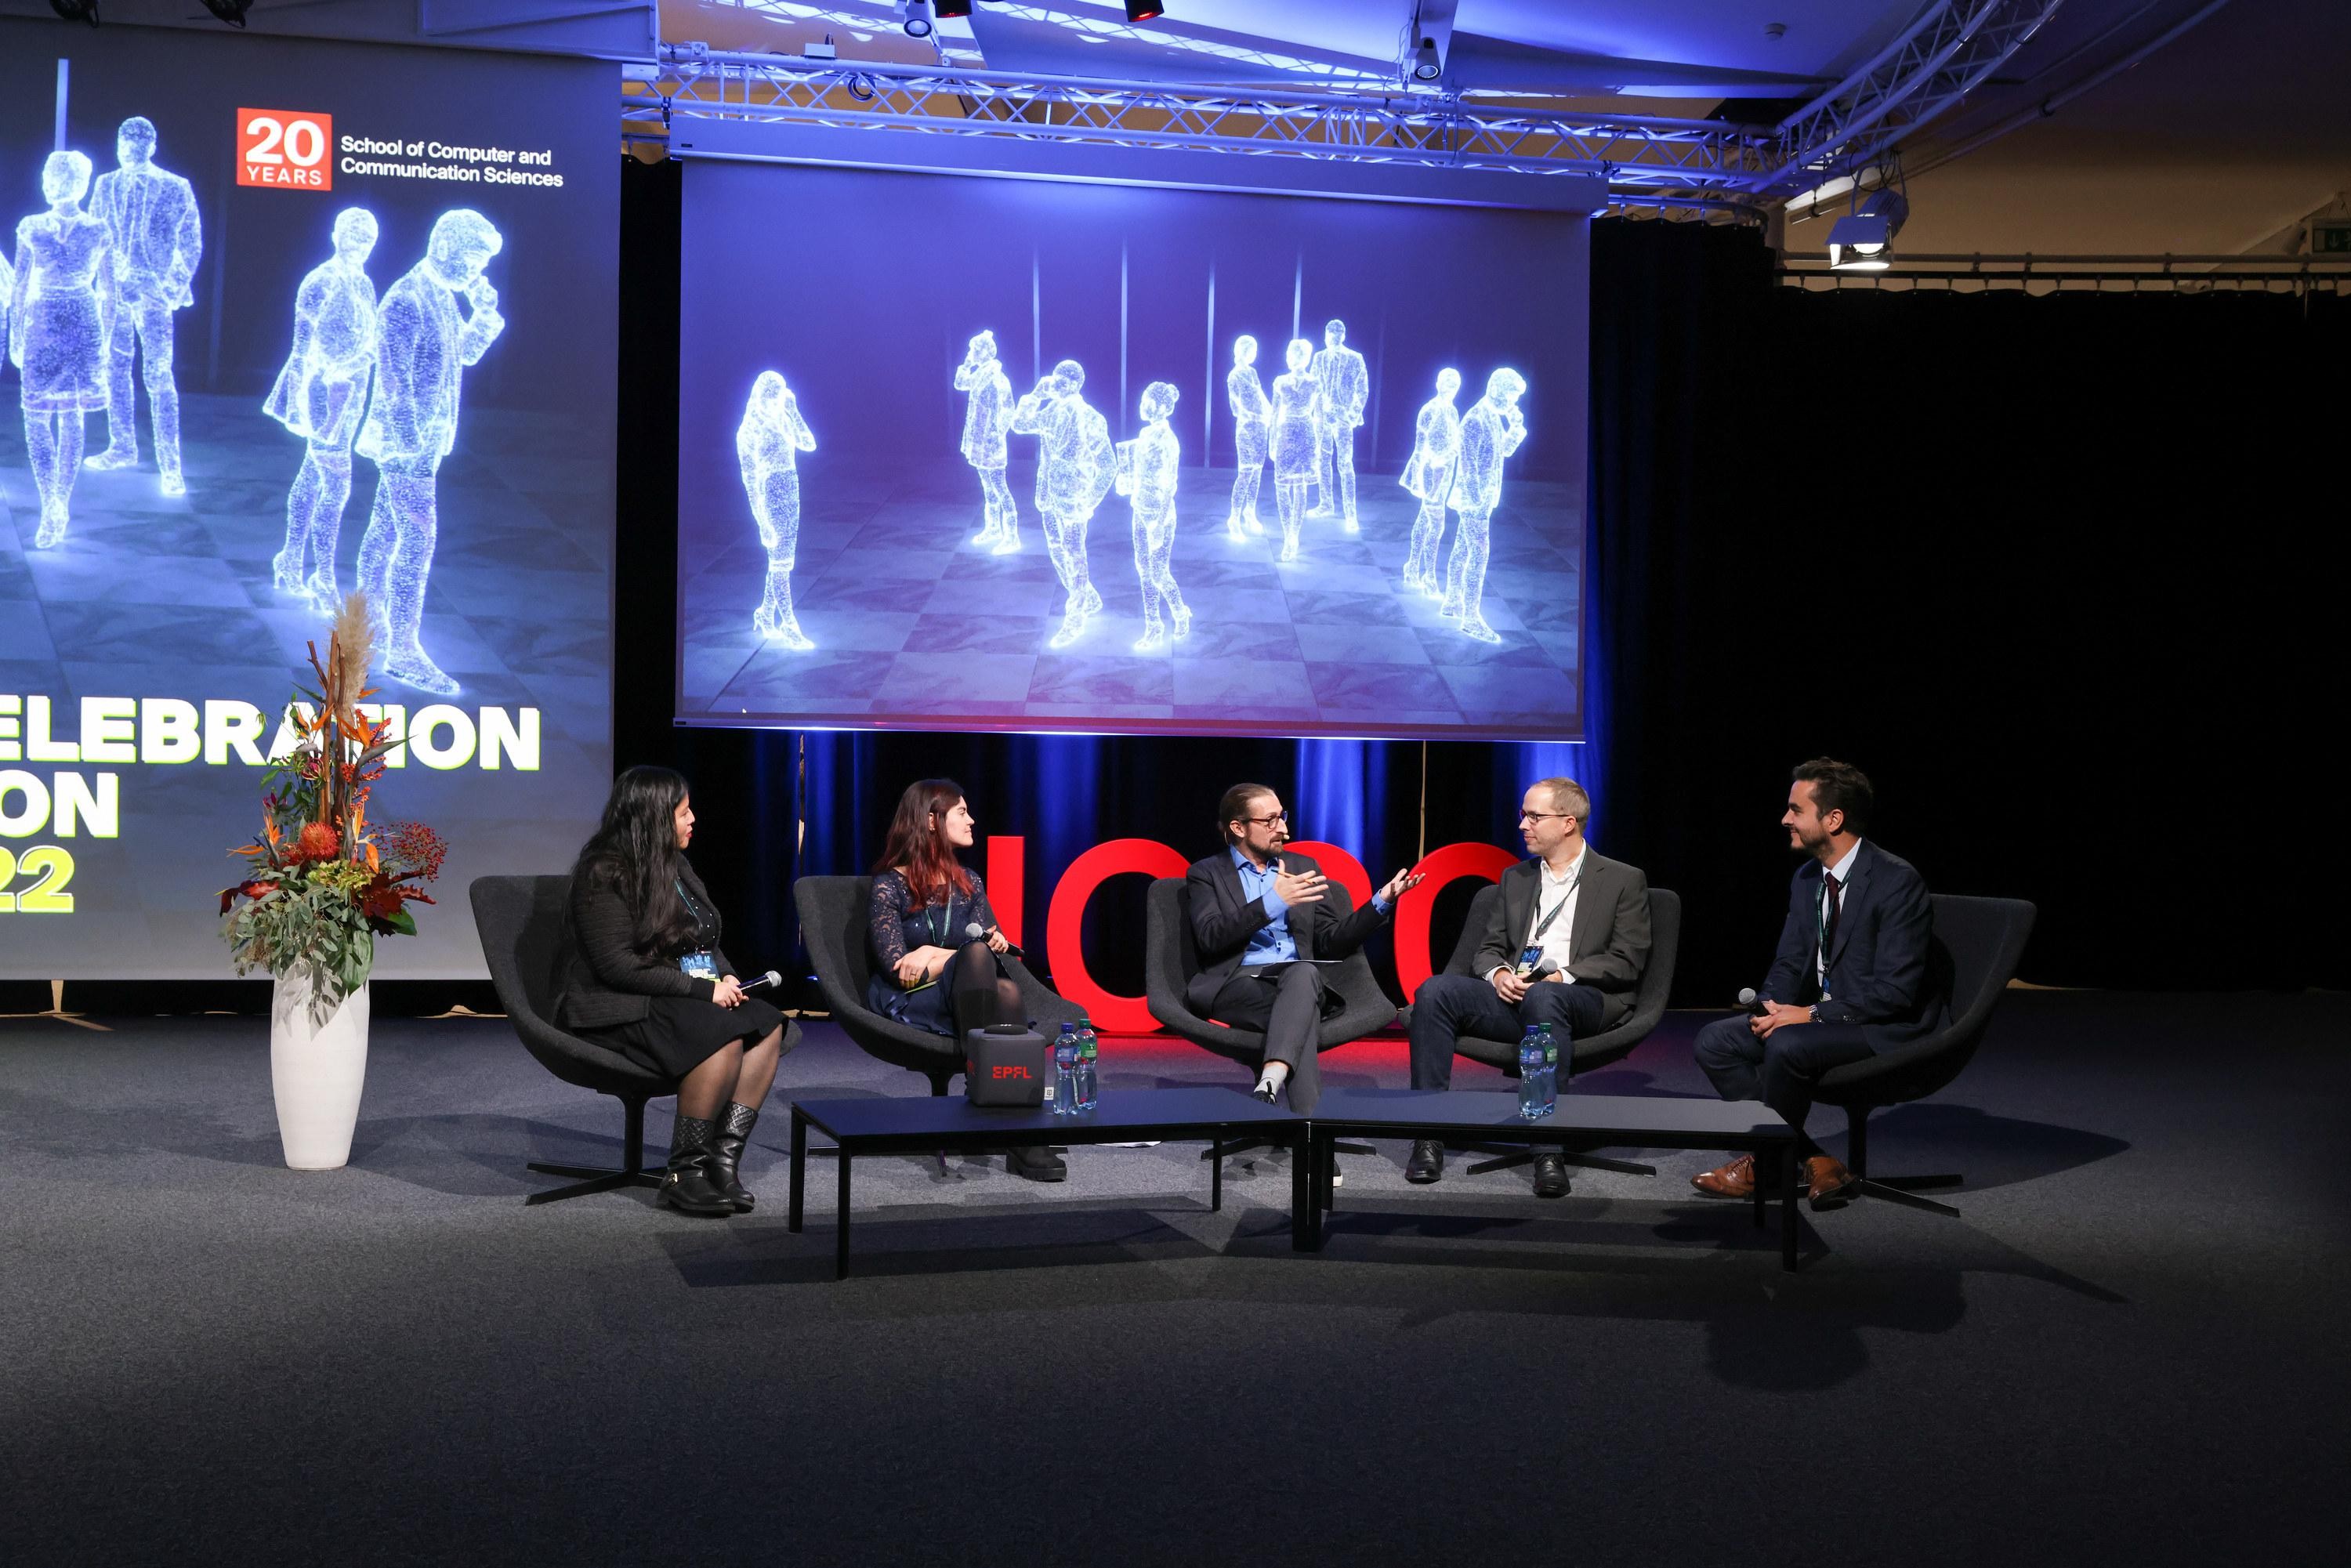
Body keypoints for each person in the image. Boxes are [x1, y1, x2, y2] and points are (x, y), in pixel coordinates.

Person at [1691, 759, 1944, 1210]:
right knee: (1716, 1041)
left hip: (1880, 1023)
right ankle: (1814, 1159)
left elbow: (1895, 993)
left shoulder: (1896, 881)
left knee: (1789, 1046)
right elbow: (1790, 962)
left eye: (1796, 809)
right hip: (1822, 1018)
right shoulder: (1807, 878)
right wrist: (1771, 1008)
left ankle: (1766, 1164)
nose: (1785, 819)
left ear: (1833, 819)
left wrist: (1807, 1014)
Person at [557, 766, 791, 1218]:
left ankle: (721, 1163)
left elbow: (703, 937)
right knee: (718, 1033)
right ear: (653, 817)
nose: (693, 819)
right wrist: (701, 992)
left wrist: (723, 978)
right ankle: (683, 1174)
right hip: (617, 1003)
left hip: (675, 995)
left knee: (767, 1025)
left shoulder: (674, 863)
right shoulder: (603, 871)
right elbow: (617, 966)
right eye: (683, 812)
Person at [1404, 778, 1652, 1196]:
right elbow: (1487, 950)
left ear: (1569, 823)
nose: (1523, 825)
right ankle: (1428, 1135)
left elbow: (1626, 961)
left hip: (1584, 997)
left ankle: (1548, 1148)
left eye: (1534, 816)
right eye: (1524, 815)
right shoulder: (1515, 878)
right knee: (1435, 991)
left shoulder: (1622, 880)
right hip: (1520, 995)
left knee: (1545, 995)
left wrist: (1560, 976)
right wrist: (1499, 974)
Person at [1184, 784, 1422, 1149]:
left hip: (1296, 981)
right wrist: (1271, 903)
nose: (1284, 828)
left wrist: (1381, 902)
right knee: (1303, 1010)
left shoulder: (1302, 866)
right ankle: (1313, 1138)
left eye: (1283, 816)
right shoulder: (1207, 874)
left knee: (1303, 975)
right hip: (1236, 983)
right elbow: (1211, 937)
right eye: (1271, 820)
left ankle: (1270, 1086)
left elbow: (1329, 939)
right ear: (1238, 827)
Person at [864, 779, 1060, 1181]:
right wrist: (954, 956)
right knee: (981, 965)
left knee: (1002, 984)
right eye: (962, 812)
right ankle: (1009, 1123)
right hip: (917, 1000)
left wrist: (934, 953)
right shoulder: (890, 884)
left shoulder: (968, 881)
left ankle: (1010, 1119)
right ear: (932, 820)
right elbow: (900, 969)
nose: (972, 820)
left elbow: (989, 947)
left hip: (970, 996)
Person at [355, 208, 505, 697]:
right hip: (407, 444)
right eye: (475, 261)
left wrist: (484, 315)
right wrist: (410, 440)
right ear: (447, 249)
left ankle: (363, 630)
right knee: (417, 538)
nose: (479, 271)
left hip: (422, 443)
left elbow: (463, 353)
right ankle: (402, 651)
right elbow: (395, 380)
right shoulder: (407, 298)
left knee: (383, 532)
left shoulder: (440, 296)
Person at [264, 208, 379, 614]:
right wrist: (302, 400)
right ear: (336, 235)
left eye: (367, 236)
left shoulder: (364, 284)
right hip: (322, 392)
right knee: (335, 485)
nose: (360, 242)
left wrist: (359, 365)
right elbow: (300, 349)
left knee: (313, 476)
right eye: (353, 234)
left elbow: (369, 340)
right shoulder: (320, 281)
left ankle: (291, 560)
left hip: (351, 392)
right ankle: (323, 576)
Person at [86, 118, 201, 496]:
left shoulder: (175, 187)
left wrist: (169, 290)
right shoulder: (105, 185)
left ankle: (171, 465)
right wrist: (100, 280)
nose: (127, 153)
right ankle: (122, 446)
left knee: (158, 377)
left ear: (151, 147)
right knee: (114, 369)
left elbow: (190, 242)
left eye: (135, 147)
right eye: (122, 146)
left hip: (154, 295)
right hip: (114, 293)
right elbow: (95, 234)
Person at [12, 150, 114, 551]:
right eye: (49, 177)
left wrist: (103, 340)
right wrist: (20, 332)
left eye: (56, 178)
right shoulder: (33, 226)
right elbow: (21, 285)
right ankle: (52, 502)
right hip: (51, 321)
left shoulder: (96, 229)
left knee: (64, 415)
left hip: (71, 320)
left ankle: (58, 504)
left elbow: (110, 293)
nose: (51, 184)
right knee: (43, 415)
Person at [1009, 359, 1114, 650]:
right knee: (1057, 551)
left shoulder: (1091, 418)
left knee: (1075, 555)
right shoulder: (1050, 410)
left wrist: (1090, 502)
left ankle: (1075, 618)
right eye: (1054, 379)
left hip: (1075, 499)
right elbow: (1018, 424)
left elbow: (1108, 466)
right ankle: (1087, 598)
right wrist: (1034, 396)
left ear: (1075, 384)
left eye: (1061, 381)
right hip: (1049, 495)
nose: (1055, 384)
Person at [1440, 367, 1528, 644]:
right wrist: (1478, 501)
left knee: (1463, 548)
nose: (1514, 403)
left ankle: (1452, 602)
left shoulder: (1491, 416)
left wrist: (1516, 428)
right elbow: (1468, 466)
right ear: (1499, 392)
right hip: (1474, 500)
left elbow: (1503, 450)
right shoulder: (1476, 419)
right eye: (1512, 397)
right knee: (1479, 552)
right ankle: (1470, 617)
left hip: (1480, 499)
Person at [738, 369, 817, 649]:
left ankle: (764, 612)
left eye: (779, 399)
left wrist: (793, 412)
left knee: (781, 561)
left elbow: (809, 444)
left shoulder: (783, 417)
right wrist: (761, 521)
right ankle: (789, 624)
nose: (774, 405)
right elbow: (750, 479)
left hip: (791, 488)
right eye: (771, 400)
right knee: (780, 561)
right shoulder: (748, 431)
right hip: (769, 494)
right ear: (761, 398)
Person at [1119, 379, 1190, 652]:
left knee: (1158, 573)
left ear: (1161, 407)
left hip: (1159, 516)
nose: (1141, 404)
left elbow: (1170, 485)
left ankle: (1180, 613)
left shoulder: (1168, 441)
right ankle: (1153, 625)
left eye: (1146, 401)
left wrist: (1159, 523)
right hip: (1139, 509)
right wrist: (1128, 483)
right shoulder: (1145, 435)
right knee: (1144, 571)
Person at [954, 328, 1020, 554]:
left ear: (984, 352)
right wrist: (966, 363)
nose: (971, 352)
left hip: (991, 442)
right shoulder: (980, 373)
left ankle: (1011, 536)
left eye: (973, 350)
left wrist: (998, 432)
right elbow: (960, 383)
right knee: (987, 488)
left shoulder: (998, 378)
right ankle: (993, 528)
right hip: (979, 440)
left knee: (1000, 488)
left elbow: (1009, 408)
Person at [1398, 367, 1462, 596]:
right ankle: (1429, 575)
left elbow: (1453, 443)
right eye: (1447, 383)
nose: (1451, 388)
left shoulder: (1453, 412)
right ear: (1438, 384)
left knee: (1425, 520)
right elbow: (1420, 448)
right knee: (1436, 524)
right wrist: (1421, 479)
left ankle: (1413, 566)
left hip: (1445, 474)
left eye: (1455, 384)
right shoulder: (1429, 410)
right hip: (1430, 473)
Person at [1307, 317, 1369, 531]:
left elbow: (1362, 391)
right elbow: (1314, 386)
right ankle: (1326, 504)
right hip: (1322, 419)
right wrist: (1316, 412)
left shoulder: (1355, 359)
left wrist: (1349, 417)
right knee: (1322, 461)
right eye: (1328, 336)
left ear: (1343, 336)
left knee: (1345, 464)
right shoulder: (1319, 357)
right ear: (1325, 336)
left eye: (1335, 337)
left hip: (1343, 419)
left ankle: (1351, 513)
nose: (1331, 340)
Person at [1266, 338, 1320, 563]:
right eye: (1289, 353)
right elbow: (1275, 413)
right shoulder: (1280, 382)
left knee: (1299, 486)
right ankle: (1288, 533)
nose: (1290, 358)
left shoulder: (1315, 383)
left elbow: (1320, 417)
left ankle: (1293, 536)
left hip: (1304, 433)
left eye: (1295, 354)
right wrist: (1272, 440)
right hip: (1286, 433)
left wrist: (1318, 445)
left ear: (1304, 358)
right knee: (1283, 486)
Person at [1224, 333, 1270, 541]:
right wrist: (1255, 416)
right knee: (1245, 473)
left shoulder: (1252, 373)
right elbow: (1236, 407)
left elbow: (1261, 396)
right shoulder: (1234, 376)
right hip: (1246, 429)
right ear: (1244, 351)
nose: (1255, 354)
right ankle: (1234, 517)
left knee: (1257, 472)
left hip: (1261, 427)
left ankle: (1249, 511)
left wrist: (1270, 413)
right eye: (1253, 350)